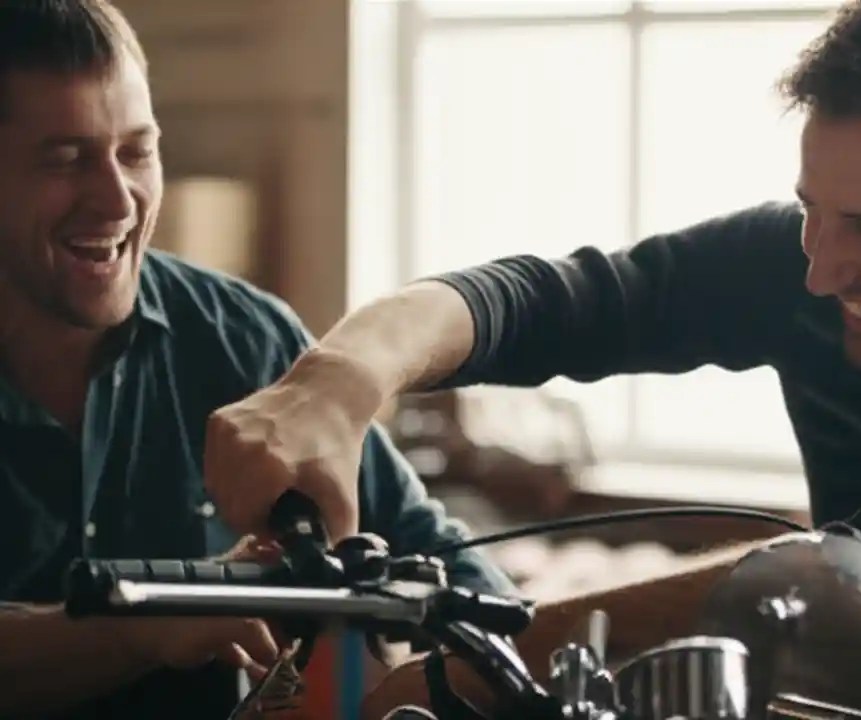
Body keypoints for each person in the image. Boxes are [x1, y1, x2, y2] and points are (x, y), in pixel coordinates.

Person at [207, 1, 861, 719]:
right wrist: (338, 380)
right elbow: (567, 302)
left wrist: (467, 661)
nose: (817, 270)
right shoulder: (818, 258)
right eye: (810, 210)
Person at [0, 2, 512, 718]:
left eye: (136, 152)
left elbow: (454, 571)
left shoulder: (248, 337)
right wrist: (144, 623)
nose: (117, 199)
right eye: (66, 158)